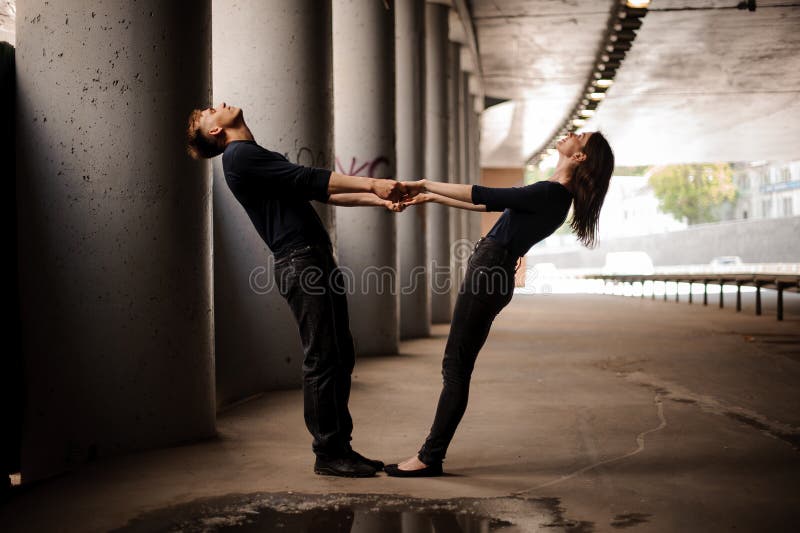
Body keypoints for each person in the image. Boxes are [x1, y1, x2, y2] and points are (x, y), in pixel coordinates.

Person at [186, 102, 405, 478]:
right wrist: (372, 182)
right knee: (322, 357)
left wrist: (380, 198)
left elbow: (323, 193)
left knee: (339, 355)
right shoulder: (238, 156)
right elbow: (310, 178)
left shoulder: (254, 156)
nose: (217, 105)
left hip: (313, 260)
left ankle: (340, 448)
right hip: (302, 263)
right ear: (215, 132)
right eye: (208, 111)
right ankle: (328, 452)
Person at [385, 130, 615, 477]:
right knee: (457, 366)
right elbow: (483, 203)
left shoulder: (551, 192)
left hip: (489, 271)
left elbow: (484, 194)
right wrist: (430, 197)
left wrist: (424, 183)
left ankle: (430, 457)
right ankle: (430, 454)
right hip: (494, 269)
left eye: (579, 136)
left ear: (580, 156)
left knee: (456, 368)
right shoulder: (552, 193)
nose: (571, 134)